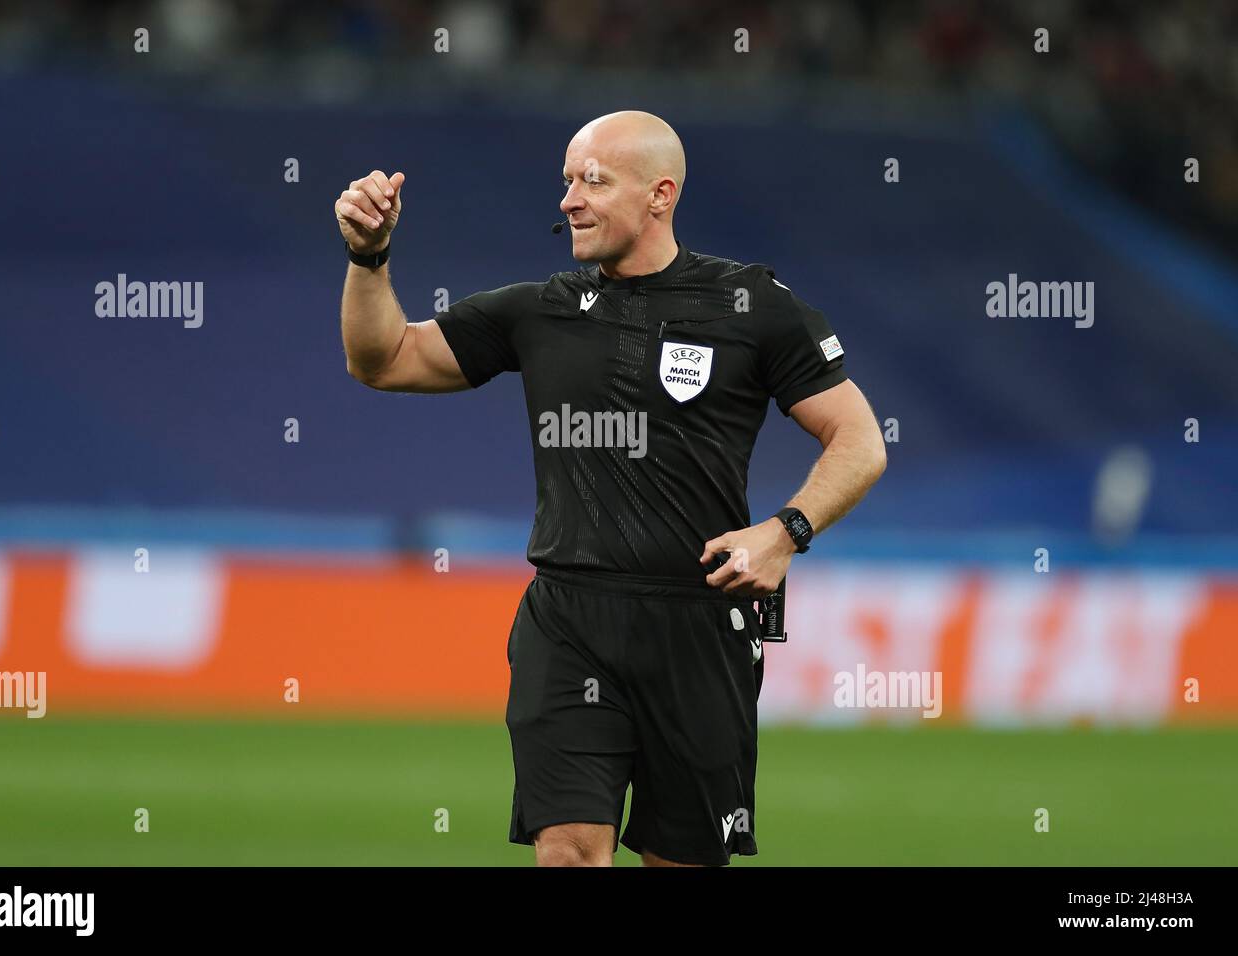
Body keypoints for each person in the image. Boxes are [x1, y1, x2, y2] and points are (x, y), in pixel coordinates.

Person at [336, 110, 886, 866]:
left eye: (592, 179)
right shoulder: (538, 310)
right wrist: (370, 259)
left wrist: (784, 531)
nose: (569, 199)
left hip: (699, 624)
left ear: (660, 195)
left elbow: (859, 439)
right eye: (566, 181)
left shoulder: (751, 307)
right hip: (568, 622)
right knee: (567, 851)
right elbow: (383, 359)